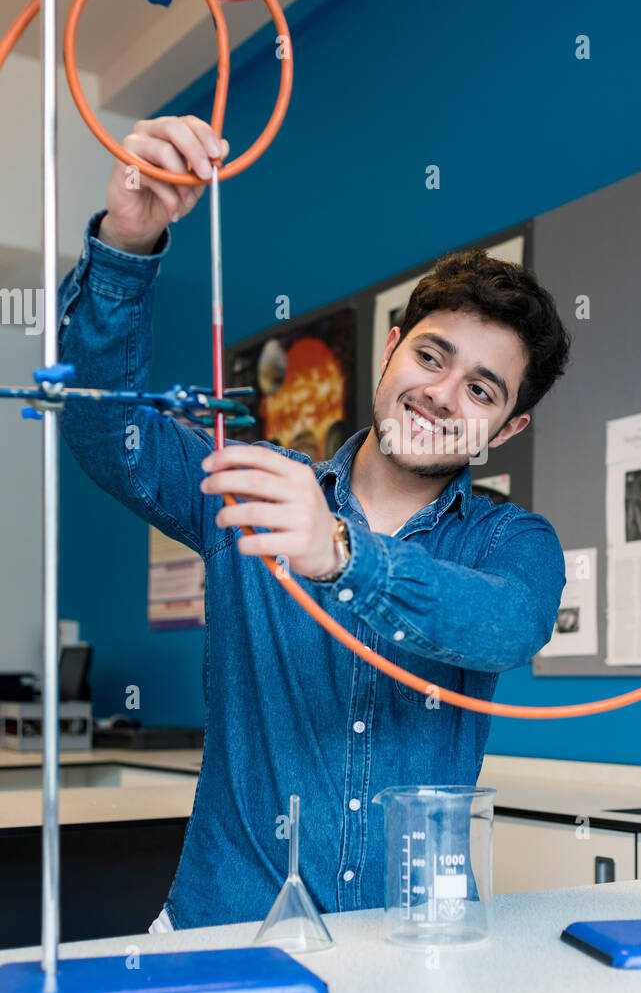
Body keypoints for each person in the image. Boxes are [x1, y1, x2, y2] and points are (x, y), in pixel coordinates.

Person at [56, 114, 571, 931]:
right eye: (431, 357)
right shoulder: (253, 486)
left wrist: (343, 555)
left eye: (481, 389)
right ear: (392, 347)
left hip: (416, 950)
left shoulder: (511, 544)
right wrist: (128, 242)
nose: (441, 394)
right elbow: (98, 428)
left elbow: (505, 627)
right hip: (227, 927)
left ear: (506, 429)